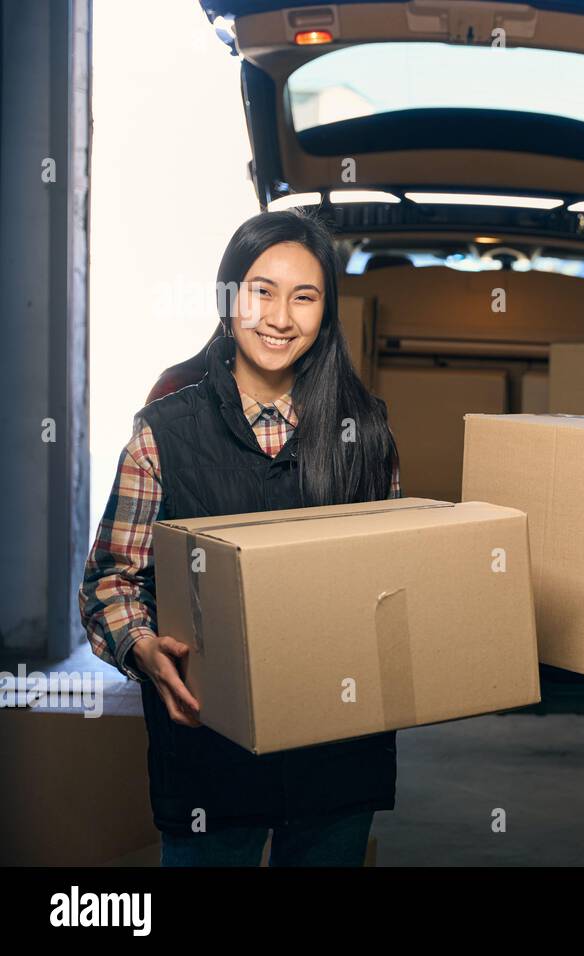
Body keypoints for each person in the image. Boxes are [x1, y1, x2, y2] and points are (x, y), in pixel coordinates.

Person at [81, 210, 401, 866]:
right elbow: (111, 580)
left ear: (326, 311)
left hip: (337, 760)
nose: (281, 317)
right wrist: (141, 645)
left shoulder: (365, 434)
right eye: (262, 291)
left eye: (304, 297)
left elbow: (391, 584)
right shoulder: (163, 434)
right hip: (208, 756)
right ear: (229, 297)